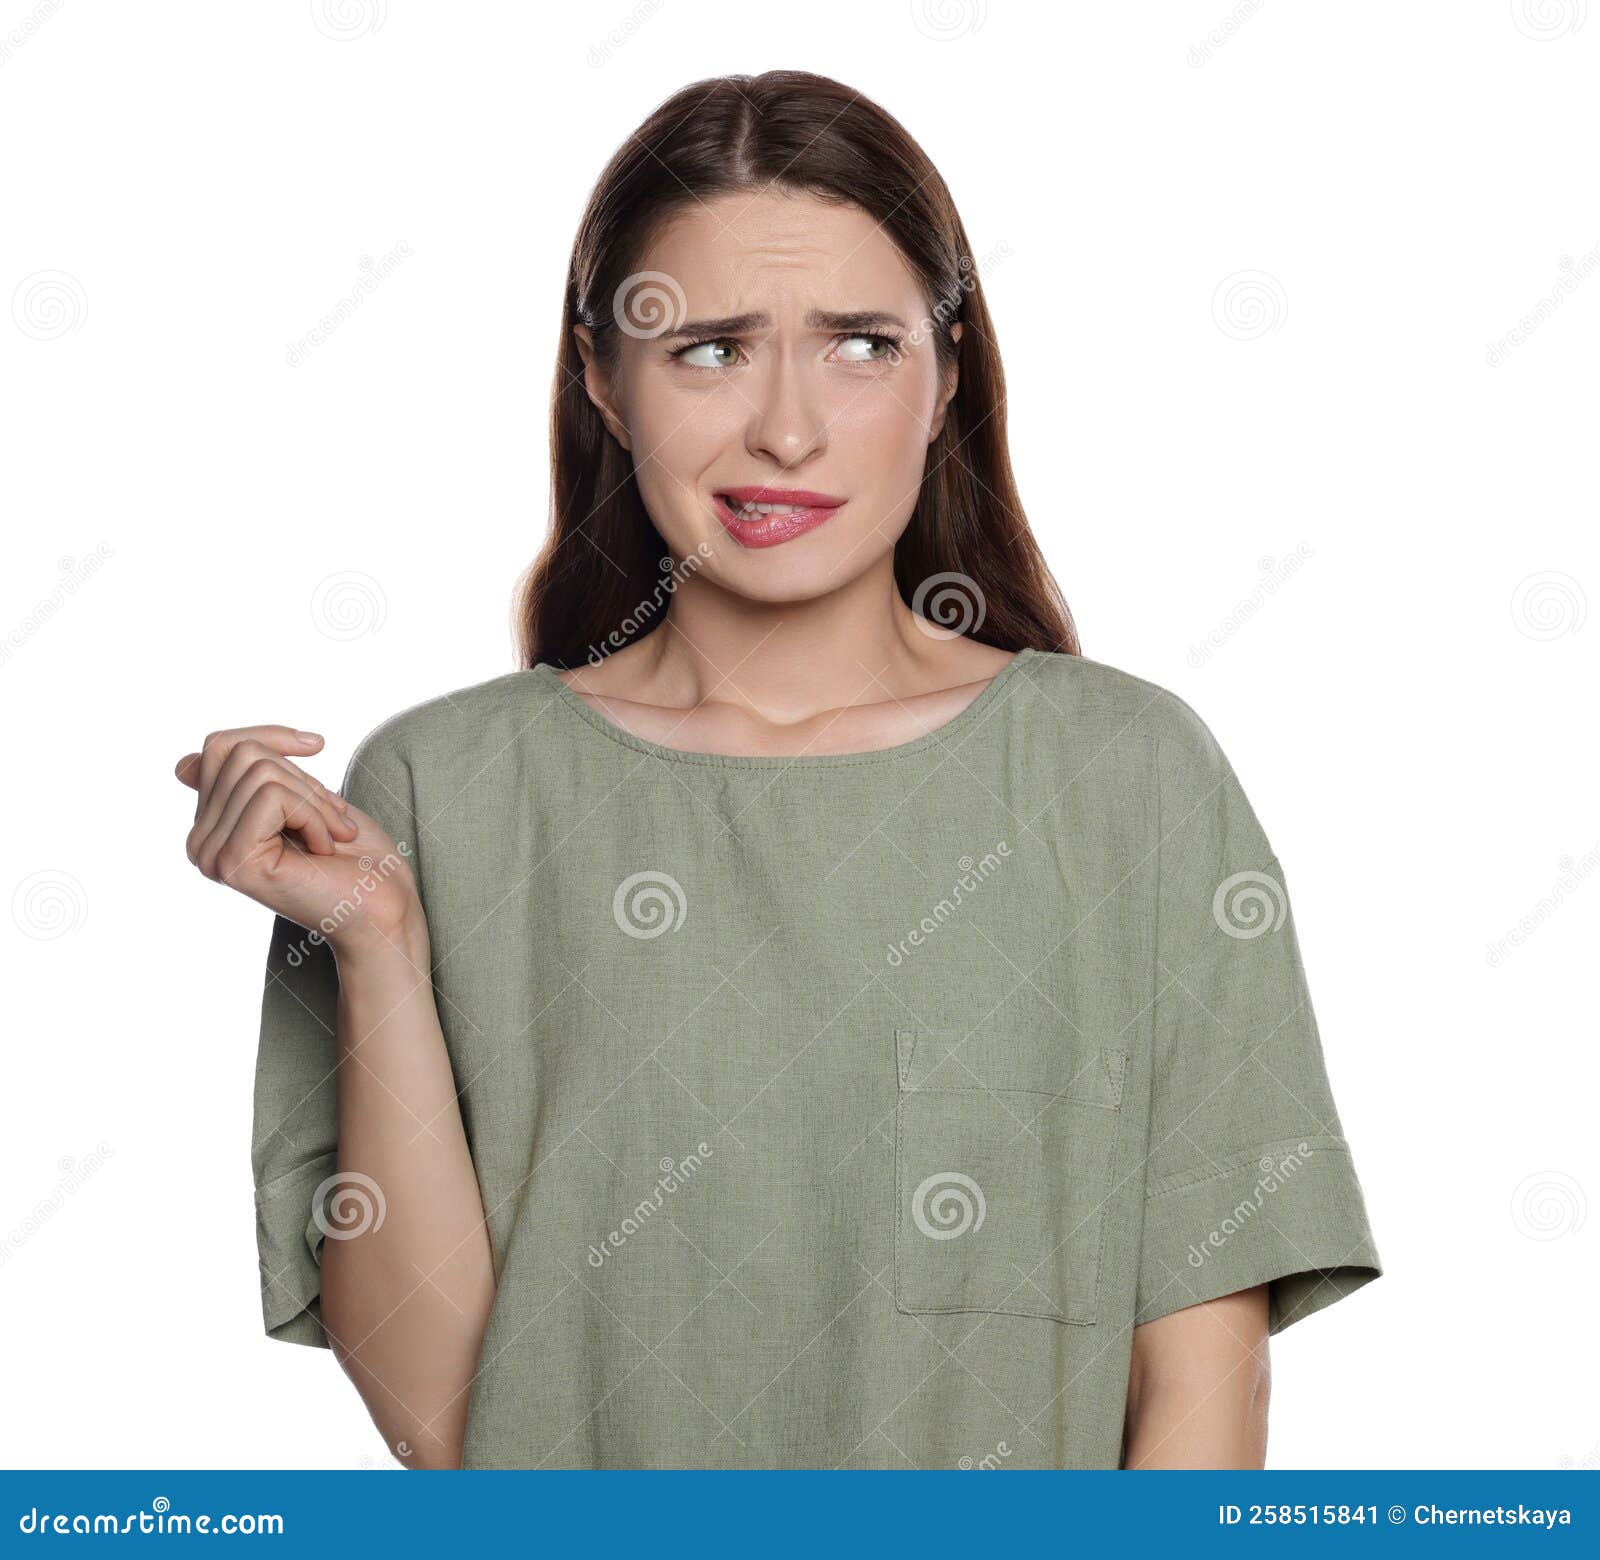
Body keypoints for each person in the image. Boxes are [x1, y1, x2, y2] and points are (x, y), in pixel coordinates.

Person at [176, 70, 1381, 1470]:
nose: (789, 431)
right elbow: (453, 1426)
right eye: (708, 350)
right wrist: (378, 949)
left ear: (945, 380)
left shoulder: (1125, 779)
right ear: (601, 383)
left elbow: (1200, 1403)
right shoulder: (444, 793)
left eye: (862, 345)